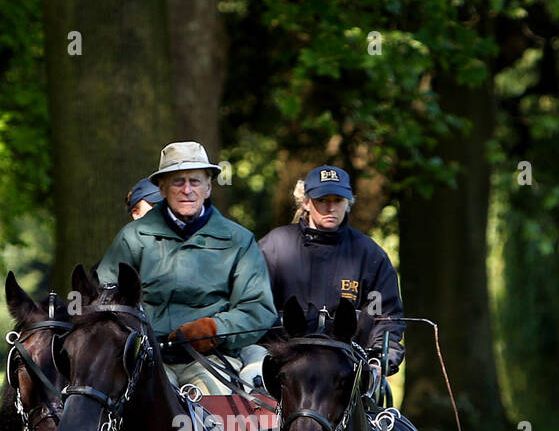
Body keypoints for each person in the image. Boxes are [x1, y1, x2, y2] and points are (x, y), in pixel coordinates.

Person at [97, 142, 276, 396]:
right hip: (146, 358)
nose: (187, 190)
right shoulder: (133, 237)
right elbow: (106, 302)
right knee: (138, 410)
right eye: (178, 182)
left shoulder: (238, 240)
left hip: (213, 359)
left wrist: (214, 330)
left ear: (208, 186)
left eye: (195, 181)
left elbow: (258, 308)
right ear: (162, 188)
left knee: (212, 418)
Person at [259, 164, 406, 375]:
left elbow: (387, 319)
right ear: (306, 202)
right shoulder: (274, 246)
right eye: (322, 200)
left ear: (348, 203)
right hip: (283, 364)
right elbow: (253, 308)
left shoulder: (370, 255)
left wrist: (379, 360)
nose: (331, 208)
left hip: (348, 368)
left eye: (337, 200)